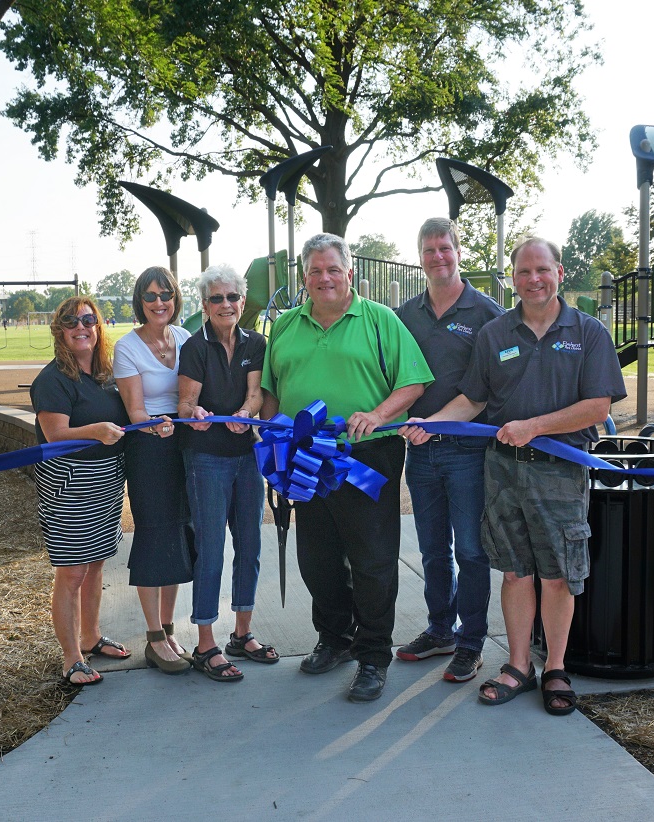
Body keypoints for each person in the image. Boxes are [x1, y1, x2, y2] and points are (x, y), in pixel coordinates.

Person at [402, 237, 626, 715]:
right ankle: (519, 666)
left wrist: (535, 427)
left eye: (541, 270)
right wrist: (431, 424)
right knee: (515, 572)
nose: (533, 280)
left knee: (558, 575)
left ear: (559, 273)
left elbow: (598, 406)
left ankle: (556, 669)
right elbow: (474, 400)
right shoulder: (495, 333)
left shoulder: (587, 333)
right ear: (513, 279)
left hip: (561, 472)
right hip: (503, 472)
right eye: (523, 272)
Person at [261, 232, 433, 702]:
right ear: (304, 277)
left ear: (349, 272)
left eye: (332, 269)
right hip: (304, 458)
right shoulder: (284, 327)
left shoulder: (380, 321)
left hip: (366, 456)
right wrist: (272, 429)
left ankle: (373, 655)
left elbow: (413, 382)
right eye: (314, 271)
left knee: (373, 558)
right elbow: (273, 390)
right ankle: (333, 638)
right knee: (316, 559)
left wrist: (377, 415)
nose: (324, 278)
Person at [394, 218, 504, 683]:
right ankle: (441, 629)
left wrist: (435, 424)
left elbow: (487, 391)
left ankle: (472, 641)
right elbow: (393, 378)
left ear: (458, 252)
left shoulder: (488, 313)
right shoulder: (404, 315)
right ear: (419, 257)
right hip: (419, 453)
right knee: (433, 550)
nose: (438, 256)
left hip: (467, 452)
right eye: (429, 249)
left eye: (445, 248)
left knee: (472, 552)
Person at [178, 263, 275, 682]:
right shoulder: (195, 347)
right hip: (206, 458)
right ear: (204, 304)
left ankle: (241, 633)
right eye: (216, 298)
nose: (225, 304)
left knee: (250, 545)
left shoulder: (256, 342)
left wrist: (243, 413)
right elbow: (185, 404)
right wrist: (196, 413)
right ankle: (205, 643)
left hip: (246, 455)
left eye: (232, 297)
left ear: (242, 300)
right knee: (213, 547)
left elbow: (255, 394)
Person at [30, 296, 131, 687]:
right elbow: (56, 435)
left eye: (88, 320)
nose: (81, 327)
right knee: (71, 571)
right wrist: (95, 431)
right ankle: (72, 659)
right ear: (60, 330)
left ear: (98, 326)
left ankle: (90, 636)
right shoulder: (52, 379)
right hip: (69, 481)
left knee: (95, 565)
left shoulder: (106, 374)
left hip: (106, 480)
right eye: (71, 321)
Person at [114, 266, 195, 676]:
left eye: (165, 294)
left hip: (183, 446)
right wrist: (155, 424)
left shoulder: (183, 339)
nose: (159, 302)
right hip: (148, 449)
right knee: (154, 534)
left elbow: (193, 392)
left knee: (179, 533)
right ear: (139, 303)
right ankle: (153, 638)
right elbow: (135, 410)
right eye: (150, 296)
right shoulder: (127, 347)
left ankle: (168, 628)